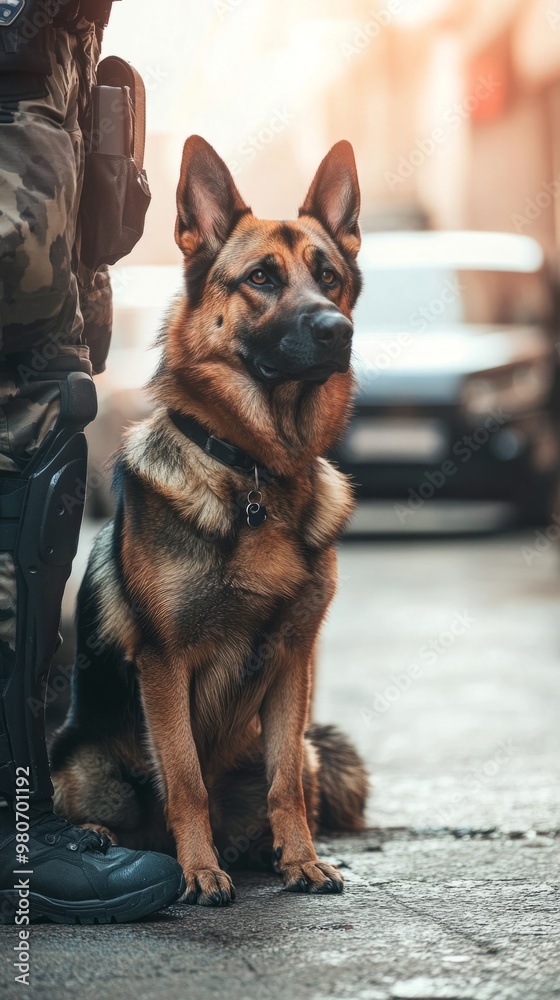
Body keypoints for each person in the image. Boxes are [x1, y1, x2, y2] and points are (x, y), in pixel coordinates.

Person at [0, 0, 185, 923]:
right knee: (13, 555)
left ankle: (19, 827)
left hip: (40, 338)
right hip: (15, 337)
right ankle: (13, 841)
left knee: (33, 563)